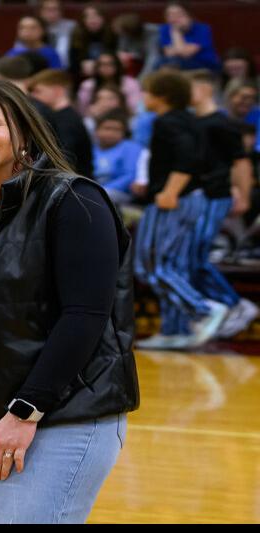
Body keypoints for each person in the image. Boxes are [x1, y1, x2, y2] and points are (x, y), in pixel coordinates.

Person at [0, 77, 138, 523]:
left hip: (58, 403)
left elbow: (85, 316)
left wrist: (25, 409)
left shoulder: (74, 199)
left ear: (22, 129)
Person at [135, 70, 228, 350]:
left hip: (174, 198)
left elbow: (187, 157)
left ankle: (203, 309)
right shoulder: (188, 119)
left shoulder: (168, 121)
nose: (143, 97)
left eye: (147, 91)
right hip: (192, 198)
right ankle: (175, 330)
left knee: (151, 264)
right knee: (173, 266)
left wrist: (170, 191)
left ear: (162, 95)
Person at [189, 70, 258, 338]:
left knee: (196, 254)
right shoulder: (195, 121)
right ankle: (218, 307)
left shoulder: (221, 123)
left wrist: (244, 195)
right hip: (199, 195)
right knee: (192, 257)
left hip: (216, 196)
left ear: (206, 89)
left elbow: (241, 162)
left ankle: (236, 305)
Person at [28, 69, 94, 179]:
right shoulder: (58, 116)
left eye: (38, 91)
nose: (33, 96)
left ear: (57, 91)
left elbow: (66, 157)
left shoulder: (67, 120)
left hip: (73, 181)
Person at [91, 110, 141, 207]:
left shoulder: (131, 148)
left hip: (120, 193)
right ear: (96, 130)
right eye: (107, 128)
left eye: (117, 130)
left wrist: (102, 190)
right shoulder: (90, 148)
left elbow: (130, 176)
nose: (111, 133)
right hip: (94, 191)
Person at [157, 1, 219, 73]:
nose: (174, 18)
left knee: (172, 64)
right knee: (159, 63)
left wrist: (176, 32)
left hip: (203, 63)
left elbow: (185, 54)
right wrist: (182, 47)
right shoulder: (165, 29)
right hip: (175, 62)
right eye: (170, 15)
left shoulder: (202, 29)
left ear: (188, 15)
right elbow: (168, 53)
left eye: (178, 14)